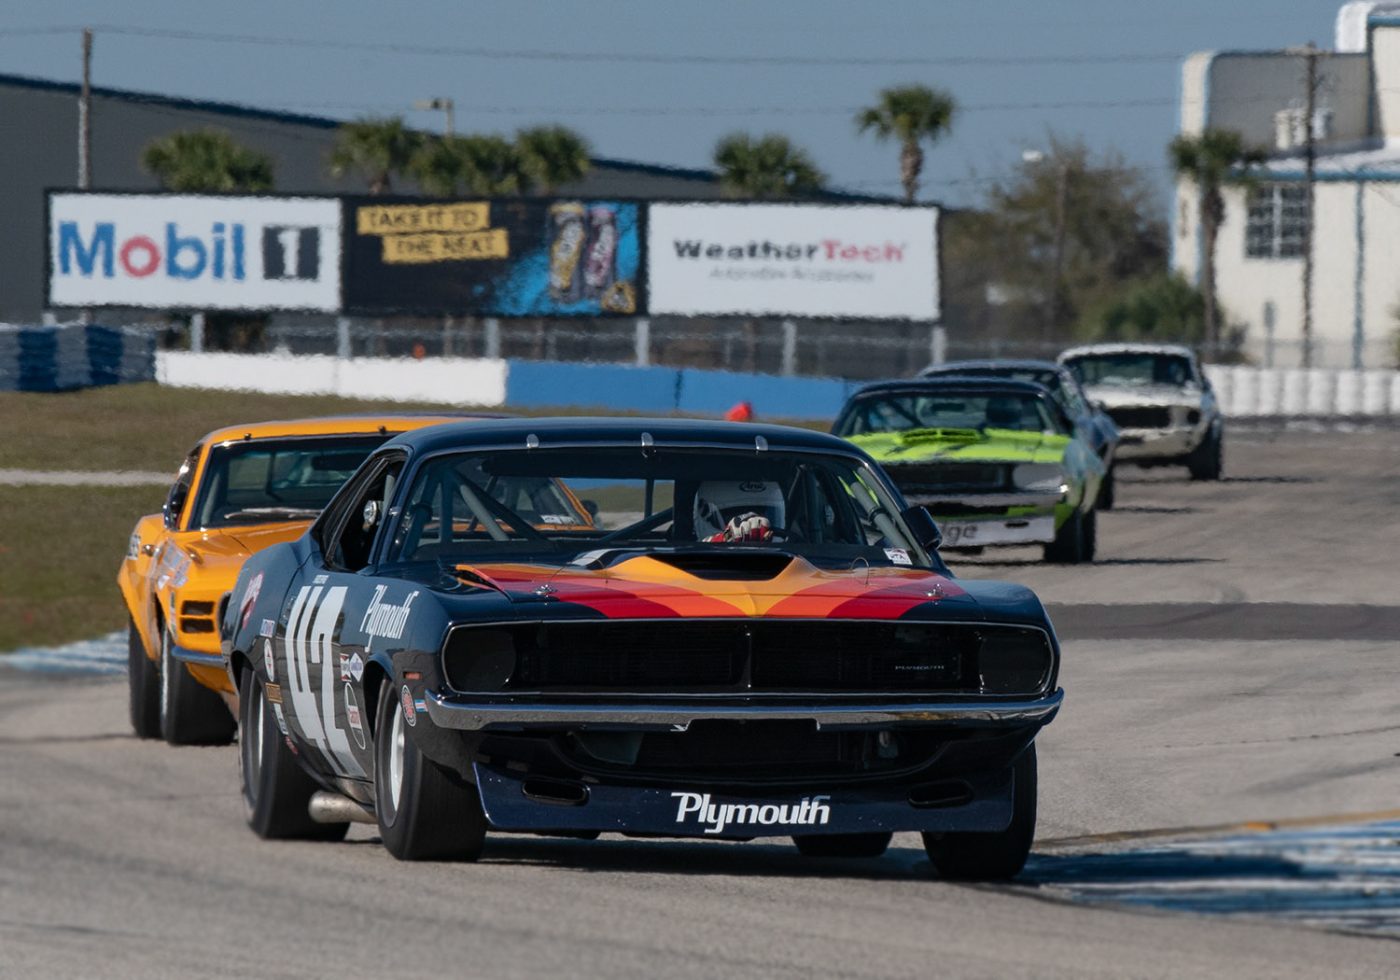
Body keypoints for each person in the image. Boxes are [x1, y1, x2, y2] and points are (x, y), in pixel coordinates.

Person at [692, 480, 784, 543]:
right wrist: (727, 538)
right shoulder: (690, 559)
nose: (752, 521)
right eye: (736, 513)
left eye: (762, 512)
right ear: (706, 513)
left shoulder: (792, 553)